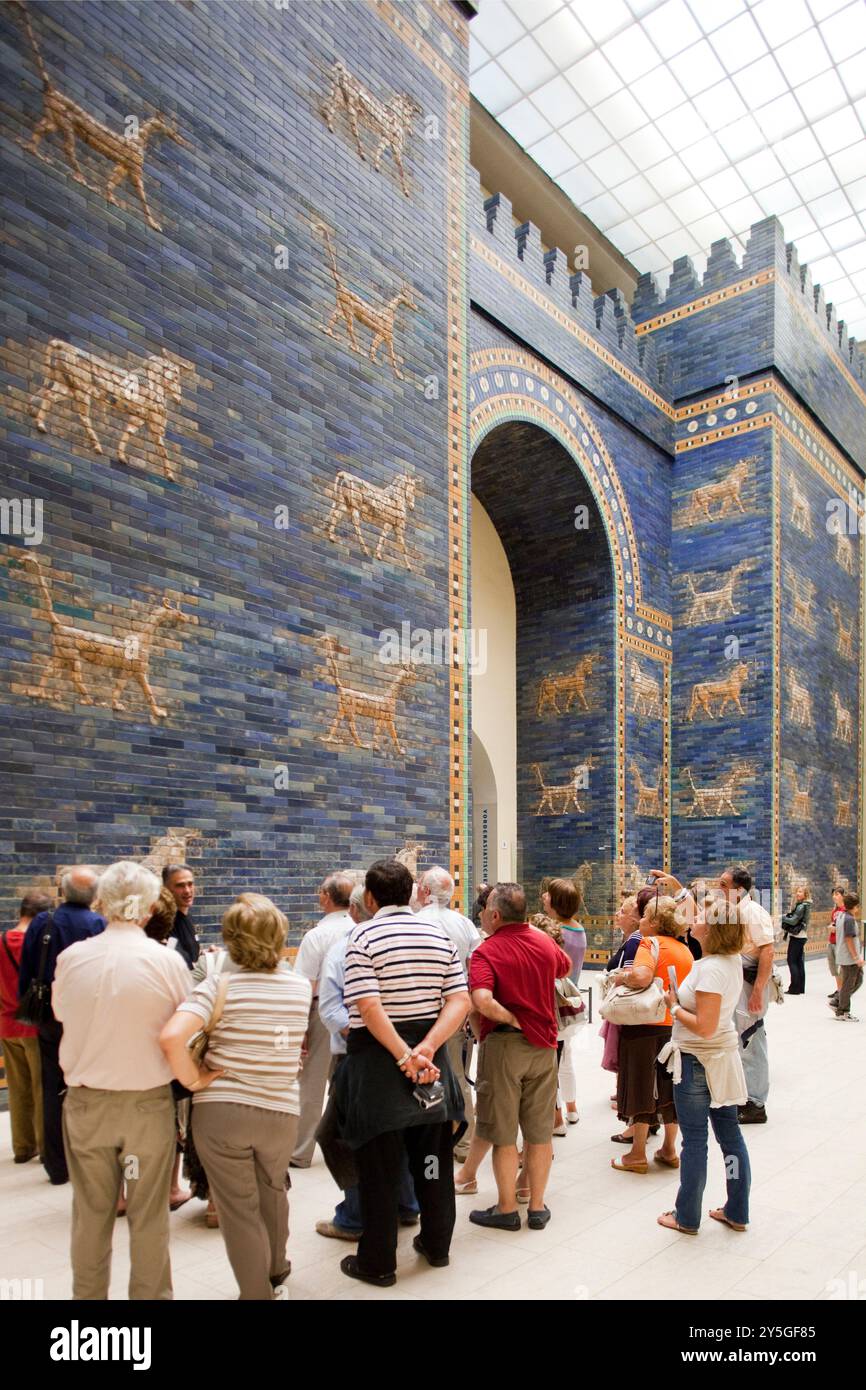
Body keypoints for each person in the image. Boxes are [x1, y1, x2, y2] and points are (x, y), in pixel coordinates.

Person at [161, 893, 312, 1299]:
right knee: (273, 1190)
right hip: (280, 1111)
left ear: (231, 939)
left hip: (221, 1112)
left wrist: (193, 1080)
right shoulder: (299, 988)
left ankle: (254, 1293)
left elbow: (172, 1036)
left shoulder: (218, 986)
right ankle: (277, 1268)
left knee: (238, 1210)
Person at [52, 861, 191, 1300]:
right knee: (149, 1215)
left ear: (100, 903)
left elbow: (61, 1015)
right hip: (146, 1105)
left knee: (91, 1214)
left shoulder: (71, 959)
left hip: (86, 1103)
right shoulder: (167, 962)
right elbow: (183, 1029)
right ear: (151, 907)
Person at [334, 859, 470, 1288]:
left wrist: (404, 1055)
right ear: (412, 892)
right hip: (430, 1063)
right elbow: (459, 999)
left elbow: (368, 1006)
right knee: (432, 1160)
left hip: (380, 1062)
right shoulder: (437, 933)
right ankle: (437, 1244)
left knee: (379, 1166)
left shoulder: (361, 935)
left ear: (370, 898)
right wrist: (427, 1049)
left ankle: (377, 1262)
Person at [314, 884, 419, 1240]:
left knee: (341, 1136)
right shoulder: (416, 939)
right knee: (395, 1132)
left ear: (358, 910)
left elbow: (331, 1009)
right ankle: (404, 1204)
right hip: (403, 1055)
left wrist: (373, 1040)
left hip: (361, 1060)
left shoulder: (346, 948)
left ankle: (357, 1215)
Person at [467, 882, 571, 1232]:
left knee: (503, 1133)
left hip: (504, 1047)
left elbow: (481, 1000)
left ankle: (507, 1208)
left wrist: (512, 1016)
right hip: (544, 1046)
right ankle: (538, 1207)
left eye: (484, 910)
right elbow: (564, 968)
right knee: (539, 1133)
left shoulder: (486, 951)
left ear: (495, 915)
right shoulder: (544, 941)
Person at [655, 900, 751, 1235]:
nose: (693, 919)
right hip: (720, 1058)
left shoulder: (711, 969)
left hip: (699, 1061)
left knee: (694, 1141)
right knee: (730, 1137)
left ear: (710, 929)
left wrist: (674, 1006)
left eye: (699, 917)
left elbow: (705, 1026)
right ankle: (737, 1210)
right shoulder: (727, 960)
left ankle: (687, 1215)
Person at [655, 865, 775, 1124]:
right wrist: (676, 886)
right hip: (735, 979)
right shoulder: (725, 915)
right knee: (737, 1039)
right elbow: (698, 919)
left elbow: (767, 951)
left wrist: (758, 990)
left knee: (751, 1039)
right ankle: (735, 1096)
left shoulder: (752, 912)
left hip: (748, 983)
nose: (718, 888)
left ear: (739, 889)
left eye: (723, 884)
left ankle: (755, 1102)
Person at [19, 866, 105, 1185]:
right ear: (95, 895)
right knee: (90, 1090)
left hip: (50, 1020)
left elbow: (28, 969)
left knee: (52, 1089)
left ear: (63, 891)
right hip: (88, 1021)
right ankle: (90, 1159)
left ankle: (57, 1166)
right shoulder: (98, 925)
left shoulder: (44, 921)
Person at [609, 893, 693, 1174]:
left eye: (644, 917)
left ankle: (637, 1154)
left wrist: (622, 976)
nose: (641, 921)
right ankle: (669, 1149)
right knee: (669, 1087)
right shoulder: (684, 949)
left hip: (645, 1025)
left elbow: (642, 976)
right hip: (674, 1026)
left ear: (656, 922)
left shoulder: (649, 943)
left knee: (641, 1085)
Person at [416, 866, 480, 1162]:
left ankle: (426, 1145)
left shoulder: (413, 923)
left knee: (419, 1075)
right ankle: (464, 1143)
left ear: (425, 891)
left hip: (419, 1012)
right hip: (455, 1011)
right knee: (456, 1075)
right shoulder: (465, 924)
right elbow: (474, 970)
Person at [291, 871, 355, 1168]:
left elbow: (305, 986)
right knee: (345, 1081)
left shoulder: (316, 936)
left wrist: (300, 1029)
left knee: (312, 1083)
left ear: (327, 897)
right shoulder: (359, 929)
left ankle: (301, 1151)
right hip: (355, 1011)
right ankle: (350, 1144)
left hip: (319, 1012)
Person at [0, 889, 52, 1163]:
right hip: (33, 1026)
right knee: (41, 1088)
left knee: (17, 1089)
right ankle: (46, 1148)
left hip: (7, 1026)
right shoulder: (38, 944)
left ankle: (22, 1147)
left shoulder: (2, 941)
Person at [834, 891, 863, 1021]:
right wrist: (856, 957)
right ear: (855, 906)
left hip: (844, 955)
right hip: (849, 957)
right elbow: (849, 939)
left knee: (858, 979)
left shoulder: (840, 915)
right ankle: (843, 1010)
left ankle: (838, 1000)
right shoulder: (849, 919)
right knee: (849, 983)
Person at [782, 884, 811, 996]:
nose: (798, 893)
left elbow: (793, 921)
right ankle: (800, 987)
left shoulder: (801, 906)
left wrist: (783, 917)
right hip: (802, 936)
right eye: (797, 891)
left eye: (800, 892)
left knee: (792, 961)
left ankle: (794, 988)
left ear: (805, 894)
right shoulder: (805, 905)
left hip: (797, 936)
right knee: (799, 962)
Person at [828, 887, 846, 1008]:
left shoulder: (845, 910)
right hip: (832, 941)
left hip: (840, 943)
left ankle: (842, 991)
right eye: (834, 894)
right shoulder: (834, 911)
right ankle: (838, 989)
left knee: (840, 969)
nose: (835, 897)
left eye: (837, 894)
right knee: (833, 967)